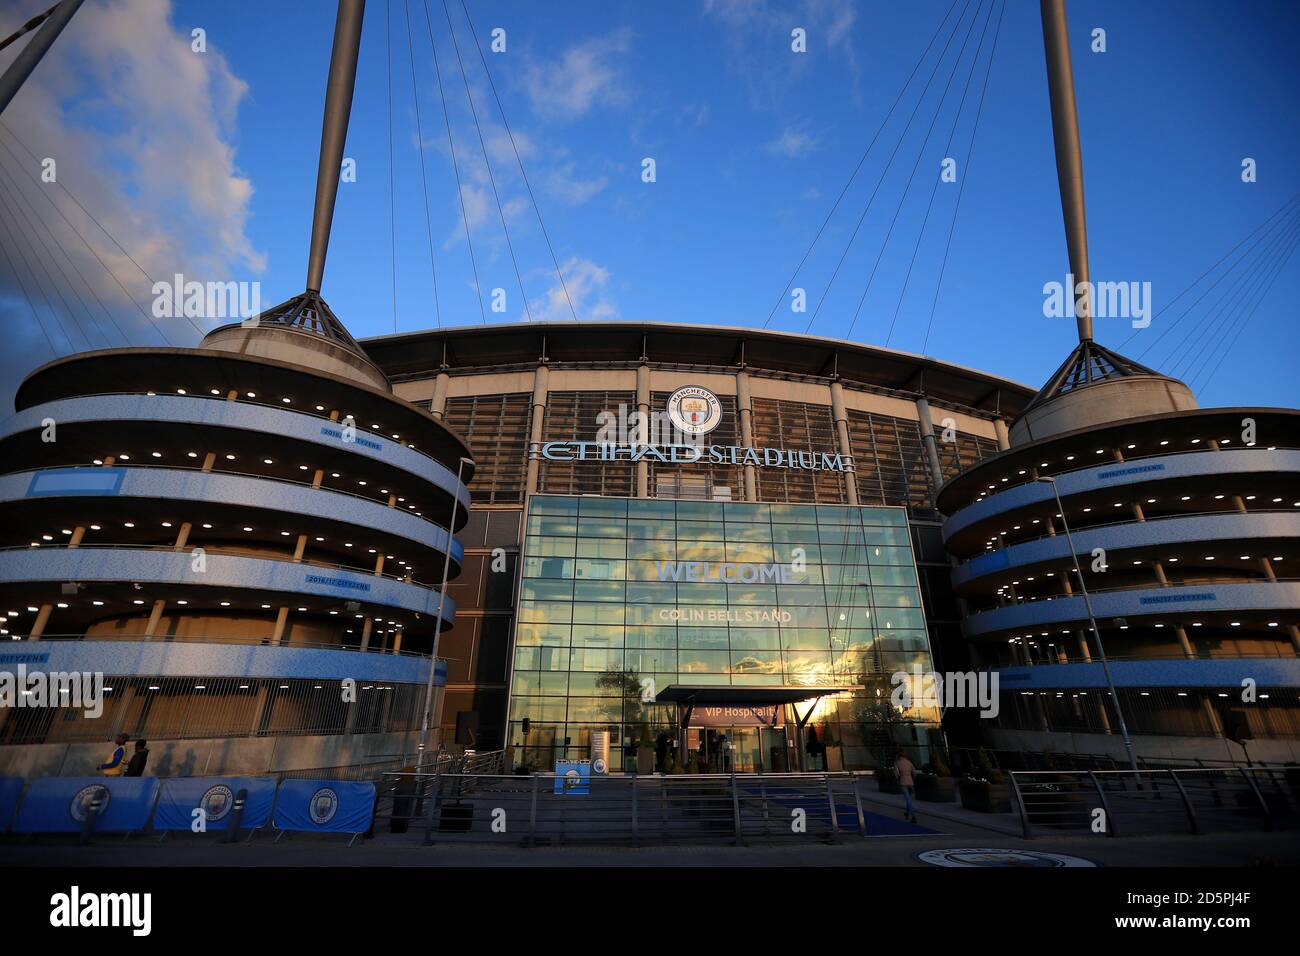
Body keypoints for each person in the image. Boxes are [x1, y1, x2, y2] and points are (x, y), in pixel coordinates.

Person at [894, 749, 917, 823]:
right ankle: (907, 813)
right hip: (910, 782)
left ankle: (913, 816)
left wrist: (898, 779)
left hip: (903, 782)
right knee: (909, 798)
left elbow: (896, 774)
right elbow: (914, 772)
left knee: (908, 799)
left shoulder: (897, 763)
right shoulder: (909, 762)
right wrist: (911, 778)